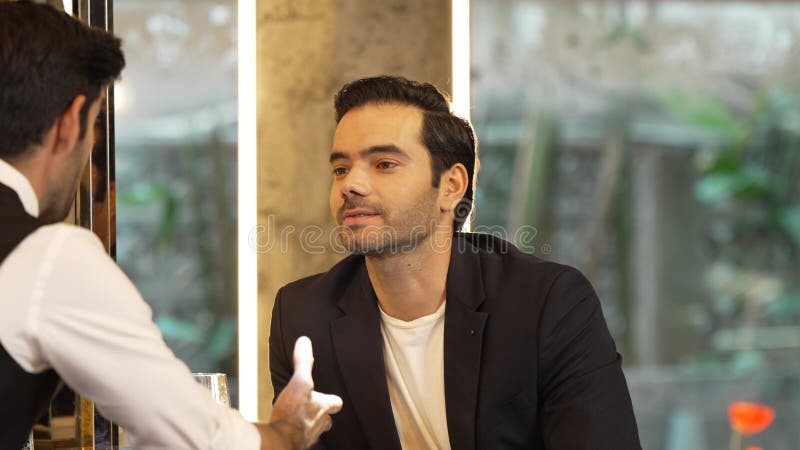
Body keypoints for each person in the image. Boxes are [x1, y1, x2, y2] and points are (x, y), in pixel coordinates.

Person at [0, 2, 341, 449]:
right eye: (94, 131)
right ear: (69, 123)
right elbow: (201, 440)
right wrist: (288, 430)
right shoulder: (48, 257)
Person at [269, 75, 642, 449]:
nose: (351, 184)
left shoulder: (547, 305)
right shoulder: (303, 318)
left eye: (384, 164)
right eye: (340, 169)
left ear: (451, 187)